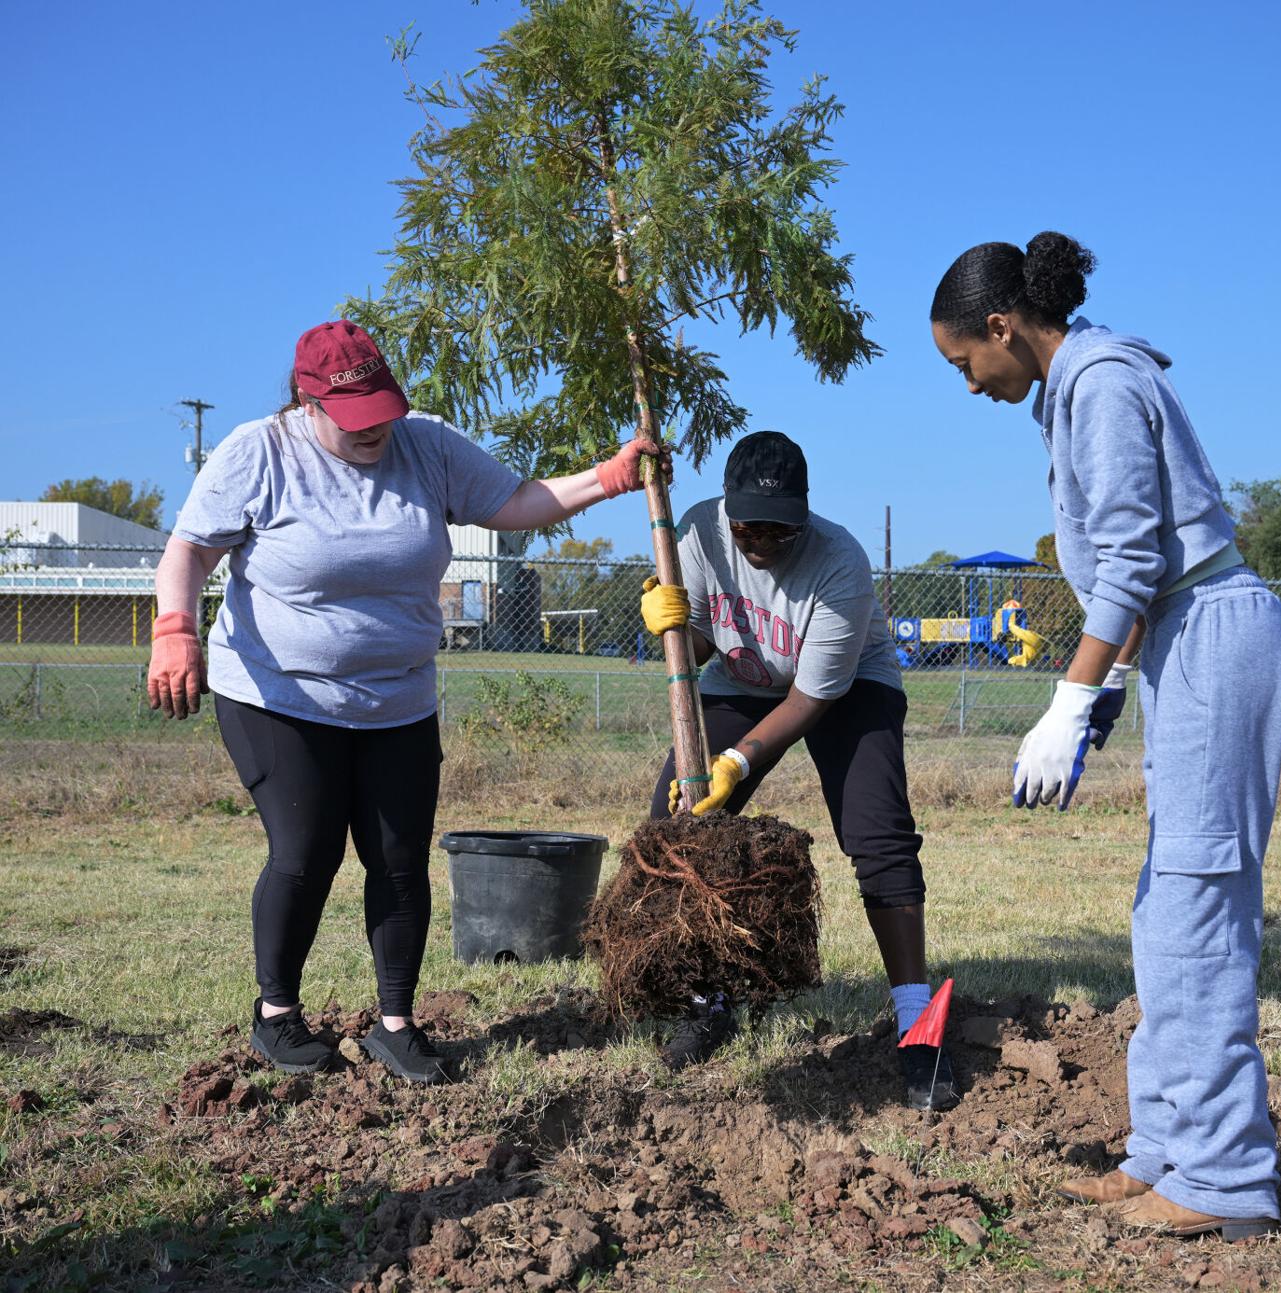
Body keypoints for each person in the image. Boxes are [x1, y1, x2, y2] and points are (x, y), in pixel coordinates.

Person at [148, 319, 666, 1084]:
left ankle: (395, 1025)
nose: (374, 431)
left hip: (397, 698)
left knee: (397, 859)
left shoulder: (426, 445)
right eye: (354, 419)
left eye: (382, 413)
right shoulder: (260, 452)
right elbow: (189, 550)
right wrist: (175, 628)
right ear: (308, 402)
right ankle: (276, 1014)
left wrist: (610, 476)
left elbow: (514, 500)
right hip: (277, 693)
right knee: (307, 849)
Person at [930, 234, 1281, 1240]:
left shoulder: (1097, 385)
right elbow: (1134, 567)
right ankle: (1167, 1149)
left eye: (964, 363)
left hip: (1211, 631)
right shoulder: (1081, 385)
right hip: (1182, 635)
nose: (970, 384)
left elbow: (1134, 558)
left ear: (1002, 327)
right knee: (1164, 909)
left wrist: (1068, 697)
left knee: (1196, 903)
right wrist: (1116, 679)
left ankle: (1225, 1177)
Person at [639, 430, 958, 1111]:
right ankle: (709, 1002)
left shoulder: (840, 562)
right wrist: (671, 625)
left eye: (779, 530)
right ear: (727, 511)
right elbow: (701, 641)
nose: (760, 542)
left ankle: (916, 1024)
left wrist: (737, 759)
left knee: (879, 836)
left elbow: (812, 696)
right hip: (741, 680)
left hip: (848, 687)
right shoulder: (696, 532)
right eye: (747, 528)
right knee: (678, 828)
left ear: (804, 515)